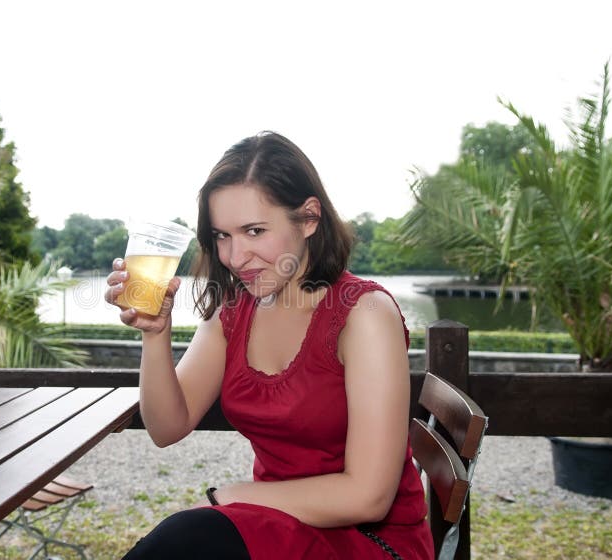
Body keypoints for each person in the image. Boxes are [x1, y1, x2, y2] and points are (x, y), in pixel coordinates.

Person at [105, 131, 434, 560]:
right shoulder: (235, 312)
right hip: (279, 524)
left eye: (255, 230)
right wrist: (155, 333)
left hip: (370, 542)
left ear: (309, 218)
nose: (235, 256)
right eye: (222, 235)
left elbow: (368, 498)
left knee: (189, 538)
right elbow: (167, 427)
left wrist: (234, 495)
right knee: (189, 540)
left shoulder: (364, 316)